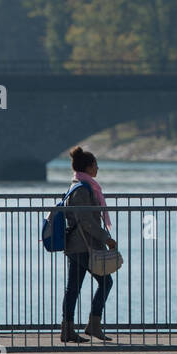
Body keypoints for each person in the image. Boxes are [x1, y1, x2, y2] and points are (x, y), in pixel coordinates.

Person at [60, 146, 117, 343]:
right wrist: (105, 237)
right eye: (96, 165)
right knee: (104, 282)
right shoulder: (82, 189)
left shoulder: (79, 185)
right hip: (83, 246)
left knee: (74, 288)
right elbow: (85, 221)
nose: (98, 169)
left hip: (79, 246)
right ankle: (90, 325)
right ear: (89, 167)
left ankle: (70, 329)